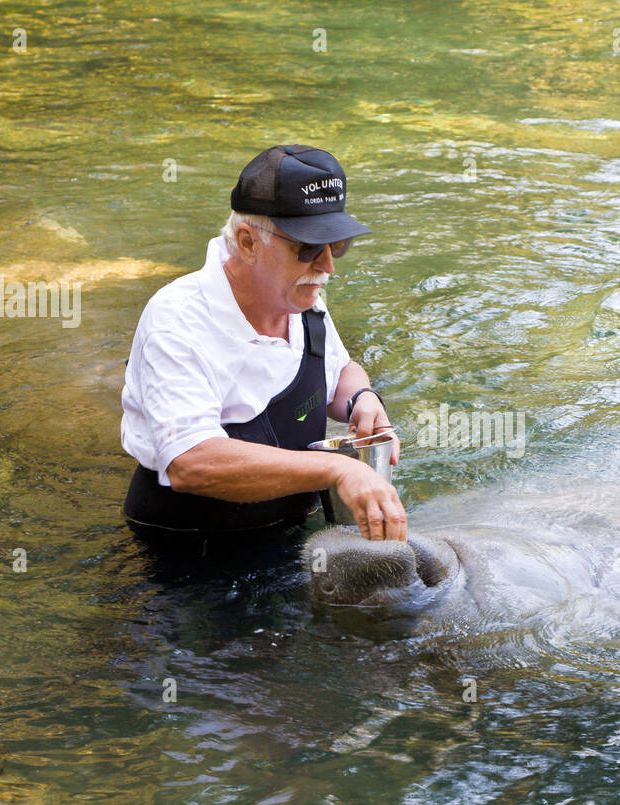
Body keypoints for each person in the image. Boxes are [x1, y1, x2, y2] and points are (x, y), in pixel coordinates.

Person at [120, 145, 407, 560]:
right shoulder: (177, 321)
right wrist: (339, 469)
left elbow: (339, 369)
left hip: (295, 532)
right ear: (247, 243)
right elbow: (189, 461)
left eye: (337, 245)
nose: (328, 266)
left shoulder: (302, 300)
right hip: (187, 555)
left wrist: (362, 399)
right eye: (309, 248)